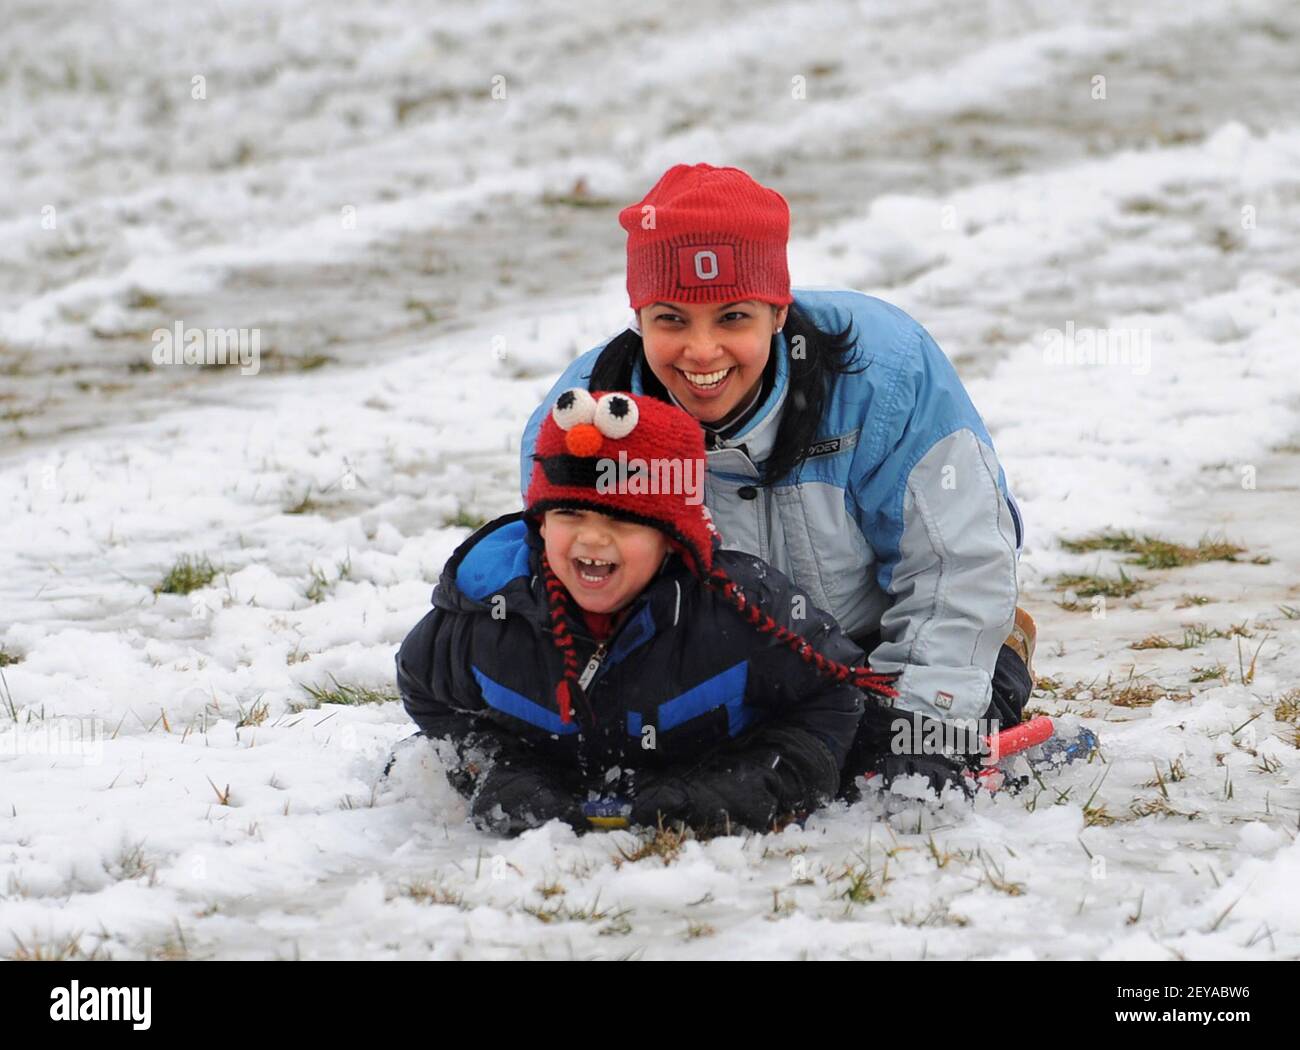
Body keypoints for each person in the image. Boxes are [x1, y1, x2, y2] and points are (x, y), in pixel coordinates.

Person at [519, 163, 1037, 792]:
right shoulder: (586, 419)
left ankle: (1003, 650)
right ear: (639, 317)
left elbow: (959, 557)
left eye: (733, 317)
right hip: (708, 666)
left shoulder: (888, 373)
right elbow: (568, 603)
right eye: (671, 319)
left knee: (888, 739)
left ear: (777, 311)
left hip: (868, 648)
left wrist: (929, 726)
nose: (702, 352)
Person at [394, 388, 901, 836]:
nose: (593, 538)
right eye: (570, 514)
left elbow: (837, 694)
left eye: (624, 520)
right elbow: (426, 690)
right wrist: (496, 767)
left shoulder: (742, 612)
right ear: (540, 525)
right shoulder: (487, 616)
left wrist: (749, 784)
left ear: (673, 538)